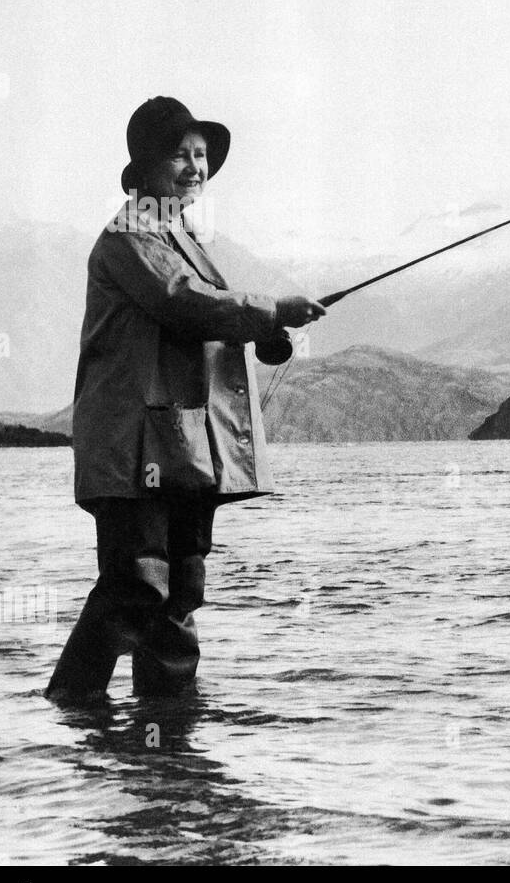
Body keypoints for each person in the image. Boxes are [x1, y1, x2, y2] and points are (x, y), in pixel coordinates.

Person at [46, 96, 325, 702]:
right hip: (133, 451)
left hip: (183, 447)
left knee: (180, 590)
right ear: (144, 166)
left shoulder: (181, 236)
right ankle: (71, 710)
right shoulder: (129, 234)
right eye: (179, 154)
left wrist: (268, 333)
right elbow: (181, 303)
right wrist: (271, 311)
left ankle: (170, 743)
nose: (195, 167)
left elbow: (198, 317)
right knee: (134, 588)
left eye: (200, 155)